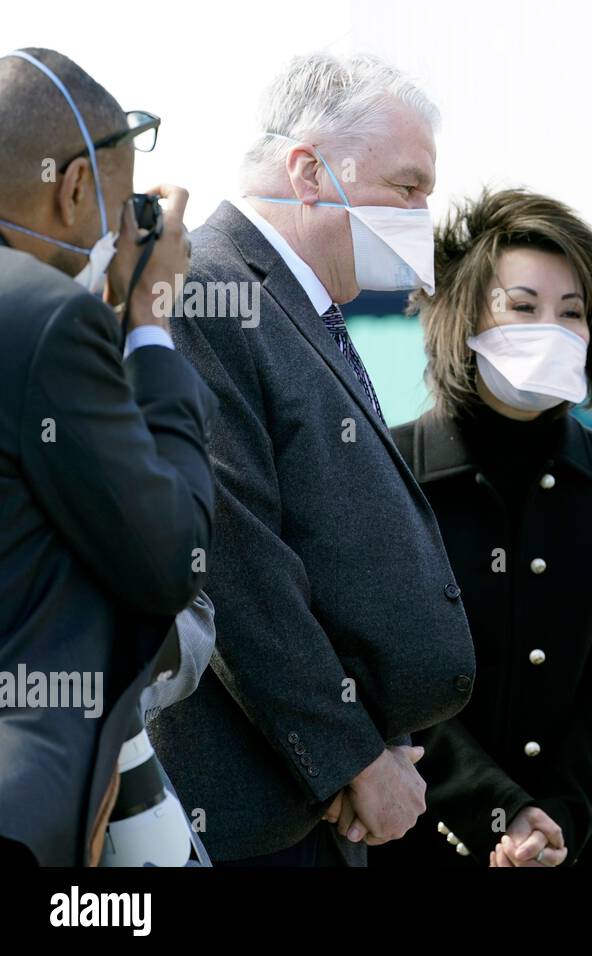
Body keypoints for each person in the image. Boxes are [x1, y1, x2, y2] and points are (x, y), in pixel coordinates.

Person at [148, 53, 475, 866]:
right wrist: (353, 758)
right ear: (308, 171)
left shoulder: (299, 302)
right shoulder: (208, 289)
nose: (421, 215)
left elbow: (342, 551)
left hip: (316, 804)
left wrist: (384, 741)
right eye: (407, 188)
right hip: (259, 806)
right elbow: (231, 554)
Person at [370, 189, 592, 868]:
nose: (551, 330)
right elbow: (388, 676)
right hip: (429, 830)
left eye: (573, 313)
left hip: (580, 833)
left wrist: (555, 821)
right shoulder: (391, 465)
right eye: (523, 308)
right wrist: (497, 811)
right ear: (463, 318)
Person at [0, 48, 214, 865]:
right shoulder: (47, 321)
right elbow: (170, 555)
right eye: (122, 209)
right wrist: (151, 324)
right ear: (75, 190)